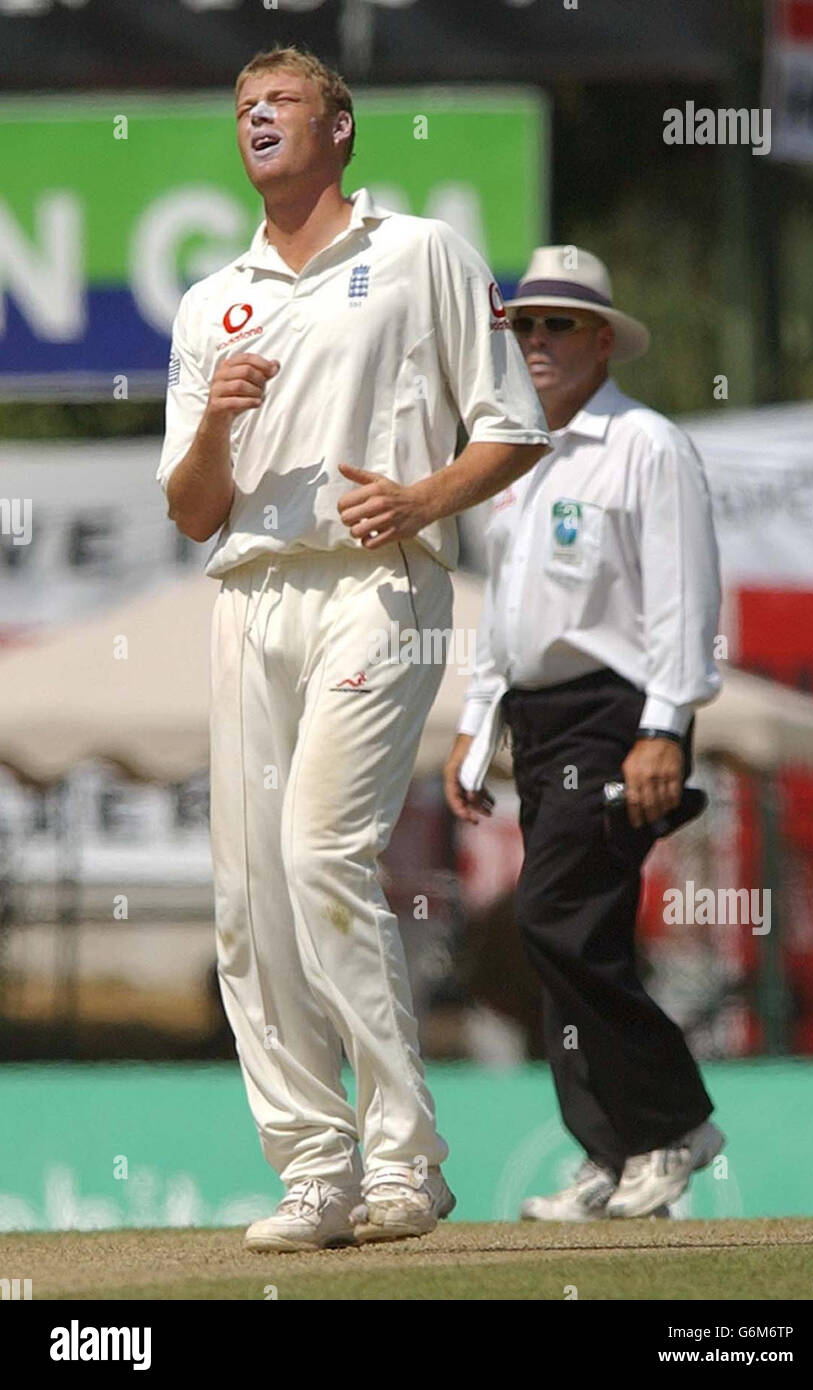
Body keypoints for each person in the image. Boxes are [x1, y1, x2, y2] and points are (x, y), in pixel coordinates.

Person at [157, 45, 550, 1252]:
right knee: (250, 894)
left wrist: (424, 501)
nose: (255, 119)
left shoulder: (420, 251)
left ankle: (405, 1159)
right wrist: (217, 420)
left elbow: (514, 427)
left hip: (381, 585)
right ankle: (315, 1169)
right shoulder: (208, 298)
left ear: (340, 129)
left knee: (322, 851)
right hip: (250, 597)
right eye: (240, 108)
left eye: (279, 103)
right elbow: (189, 508)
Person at [445, 246, 724, 1221]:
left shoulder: (647, 444)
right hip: (541, 717)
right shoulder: (516, 460)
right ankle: (610, 1151)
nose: (538, 339)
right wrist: (477, 727)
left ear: (604, 339)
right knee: (575, 934)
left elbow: (684, 595)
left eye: (559, 323)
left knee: (549, 919)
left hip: (619, 710)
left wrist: (666, 725)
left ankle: (674, 1123)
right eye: (525, 324)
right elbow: (509, 617)